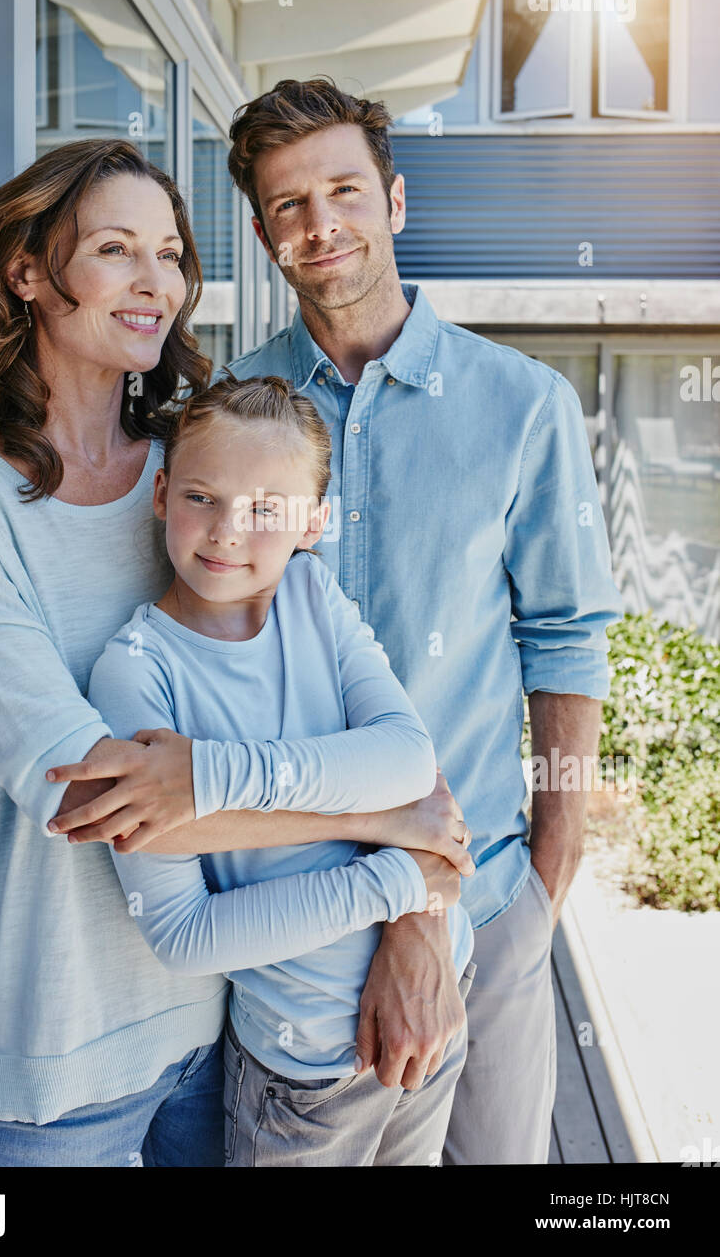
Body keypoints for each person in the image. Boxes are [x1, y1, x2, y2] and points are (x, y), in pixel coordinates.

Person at [0, 136, 471, 1167]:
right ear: (26, 271)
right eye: (115, 249)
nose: (155, 280)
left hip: (230, 1031)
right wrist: (395, 828)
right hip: (58, 1056)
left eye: (169, 252)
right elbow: (88, 792)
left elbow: (355, 717)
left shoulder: (197, 477)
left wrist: (407, 872)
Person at [216, 78, 625, 1164]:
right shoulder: (228, 410)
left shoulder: (522, 403)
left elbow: (564, 641)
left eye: (343, 189)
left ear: (393, 202)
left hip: (484, 895)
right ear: (264, 235)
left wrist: (547, 871)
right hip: (287, 907)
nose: (321, 224)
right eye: (289, 205)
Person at [80, 372, 475, 1166]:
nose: (227, 530)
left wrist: (205, 777)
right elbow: (185, 935)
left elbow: (405, 759)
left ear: (314, 522)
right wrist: (398, 877)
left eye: (267, 509)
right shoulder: (134, 673)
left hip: (440, 995)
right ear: (160, 494)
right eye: (202, 497)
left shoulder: (312, 595)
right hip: (303, 1072)